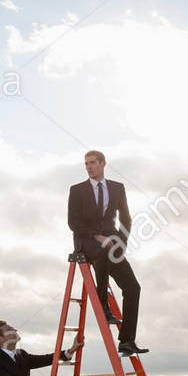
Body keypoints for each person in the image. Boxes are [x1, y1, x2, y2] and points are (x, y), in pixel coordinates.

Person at [67, 149, 148, 355]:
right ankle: (103, 307)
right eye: (86, 163)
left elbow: (126, 219)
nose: (89, 167)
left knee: (133, 287)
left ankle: (127, 341)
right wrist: (98, 236)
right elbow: (73, 222)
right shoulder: (77, 190)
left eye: (93, 163)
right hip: (86, 241)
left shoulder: (117, 188)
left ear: (103, 164)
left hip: (112, 243)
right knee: (103, 251)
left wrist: (121, 242)